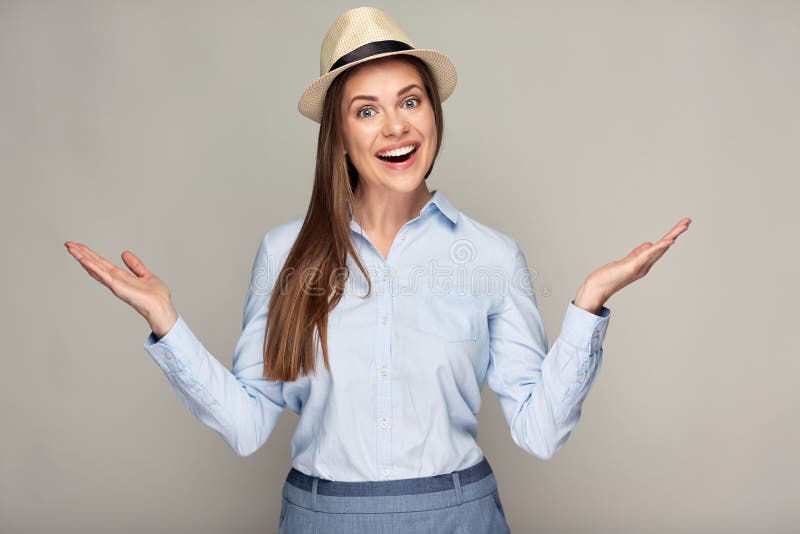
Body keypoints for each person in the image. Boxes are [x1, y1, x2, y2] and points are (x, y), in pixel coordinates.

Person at [64, 7, 691, 533]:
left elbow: (542, 431)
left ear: (433, 115)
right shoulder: (285, 255)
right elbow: (249, 423)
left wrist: (587, 306)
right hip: (322, 518)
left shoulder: (493, 257)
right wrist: (166, 322)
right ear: (338, 134)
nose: (395, 127)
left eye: (410, 101)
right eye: (366, 110)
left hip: (458, 518)